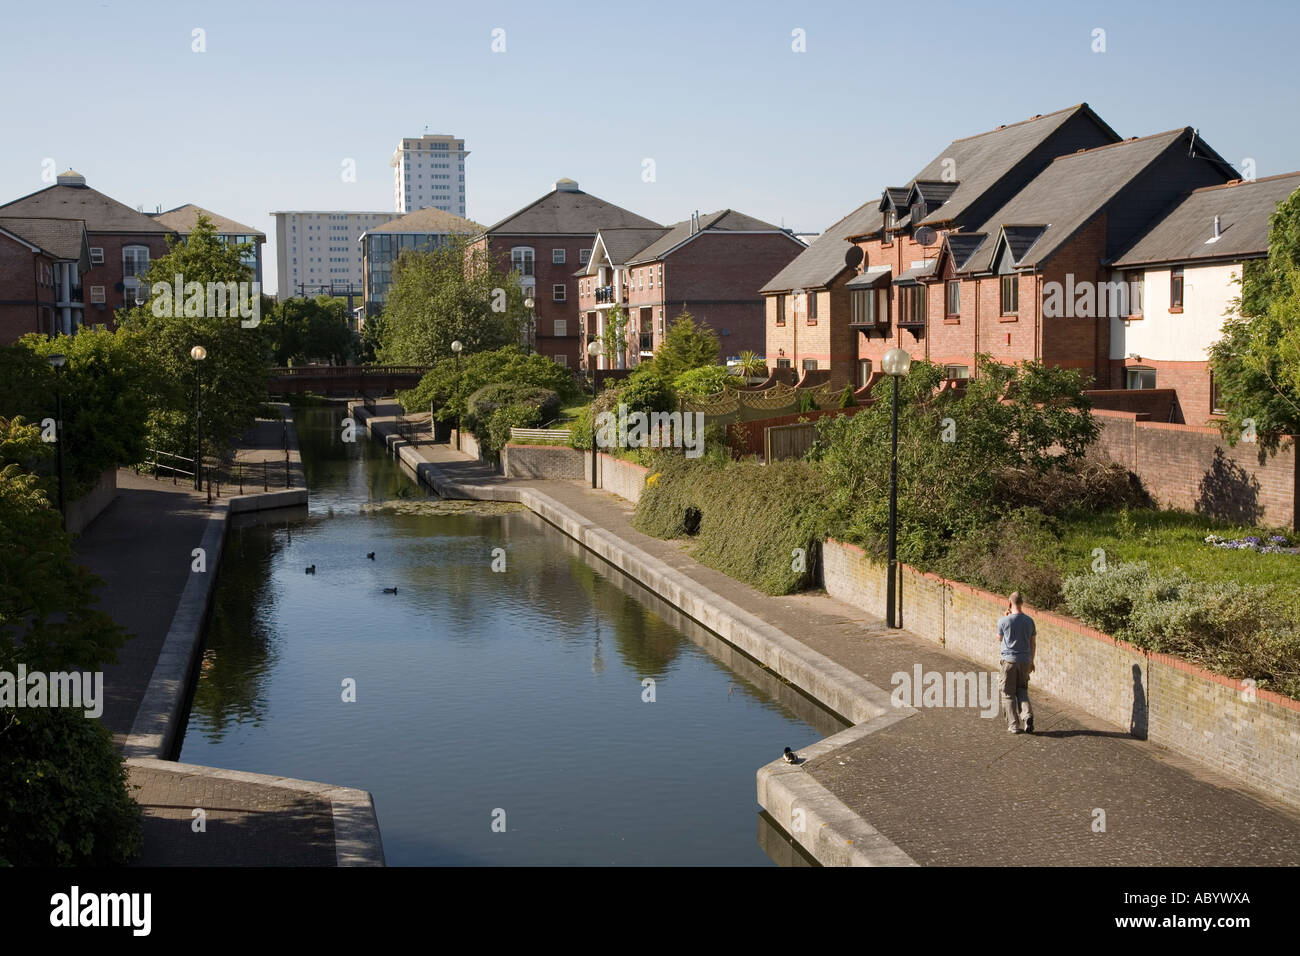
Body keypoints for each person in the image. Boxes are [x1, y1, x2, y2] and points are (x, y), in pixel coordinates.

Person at [996, 592, 1036, 734]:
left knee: (1008, 694)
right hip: (1025, 662)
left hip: (1009, 662)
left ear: (1009, 603)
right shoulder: (1030, 621)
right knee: (1022, 690)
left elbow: (999, 638)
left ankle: (1013, 725)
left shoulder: (1003, 621)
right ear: (1022, 603)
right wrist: (1032, 661)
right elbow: (1033, 644)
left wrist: (1006, 617)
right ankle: (1027, 716)